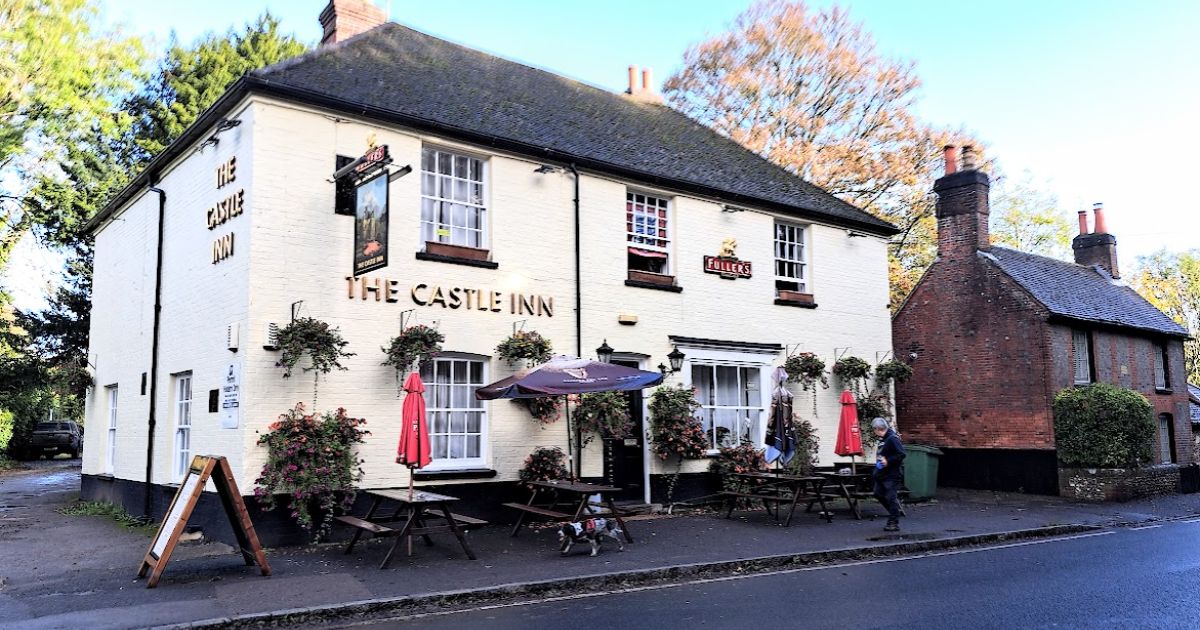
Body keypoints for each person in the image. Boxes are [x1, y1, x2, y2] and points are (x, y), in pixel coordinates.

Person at [871, 417, 906, 532]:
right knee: (878, 494)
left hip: (891, 475)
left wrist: (888, 461)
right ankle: (894, 511)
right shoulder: (883, 439)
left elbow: (901, 454)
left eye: (874, 430)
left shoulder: (892, 439)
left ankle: (893, 522)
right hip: (881, 475)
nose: (874, 432)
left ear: (877, 429)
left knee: (891, 497)